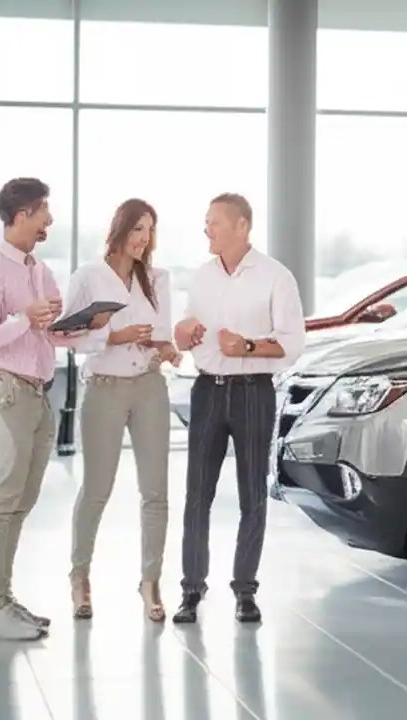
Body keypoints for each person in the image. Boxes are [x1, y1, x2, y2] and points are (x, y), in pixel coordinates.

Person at [0, 178, 92, 640]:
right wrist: (25, 318)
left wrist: (81, 326)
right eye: (43, 212)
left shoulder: (40, 271)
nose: (49, 221)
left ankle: (3, 598)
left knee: (21, 501)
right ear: (21, 216)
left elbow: (51, 334)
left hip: (38, 396)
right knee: (2, 501)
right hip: (7, 393)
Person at [172, 192, 305, 624]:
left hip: (253, 393)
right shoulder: (202, 277)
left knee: (252, 494)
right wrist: (183, 334)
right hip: (208, 390)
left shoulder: (276, 276)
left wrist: (246, 346)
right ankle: (191, 590)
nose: (206, 229)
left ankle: (245, 591)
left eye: (214, 222)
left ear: (242, 226)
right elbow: (185, 333)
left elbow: (292, 344)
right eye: (206, 221)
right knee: (197, 495)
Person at [62, 198, 181, 623]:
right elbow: (68, 338)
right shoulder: (88, 276)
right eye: (137, 228)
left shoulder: (158, 279)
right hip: (104, 389)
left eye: (149, 230)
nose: (144, 238)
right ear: (120, 228)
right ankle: (80, 577)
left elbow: (163, 336)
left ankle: (151, 582)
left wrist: (168, 350)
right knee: (97, 489)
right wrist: (114, 336)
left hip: (149, 386)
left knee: (156, 492)